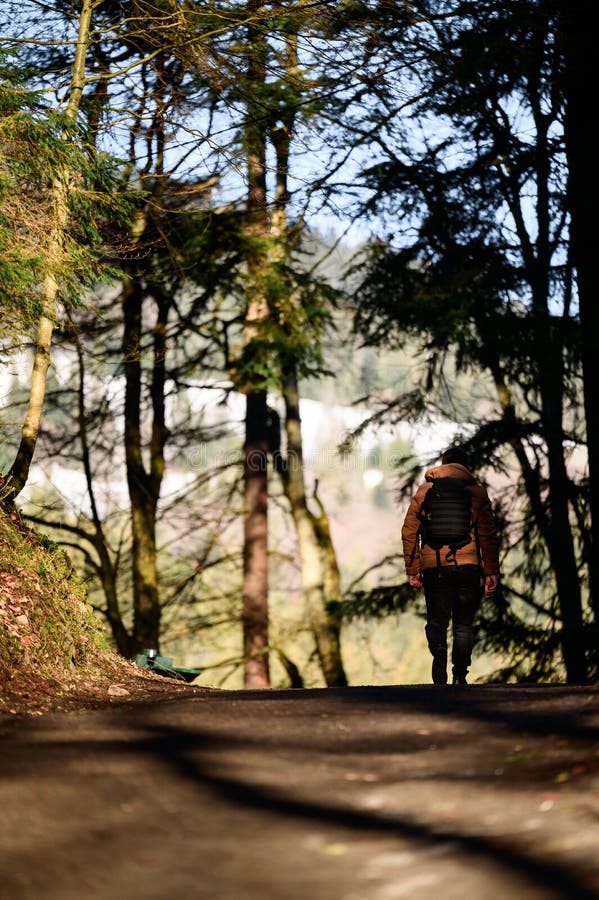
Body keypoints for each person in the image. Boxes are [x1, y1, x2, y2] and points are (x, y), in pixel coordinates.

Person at [401, 446, 500, 685]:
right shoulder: (476, 493)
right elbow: (487, 535)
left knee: (437, 620)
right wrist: (491, 571)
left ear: (443, 464)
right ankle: (459, 675)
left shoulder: (425, 491)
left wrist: (413, 569)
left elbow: (409, 532)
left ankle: (438, 661)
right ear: (466, 467)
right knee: (464, 624)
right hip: (467, 566)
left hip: (433, 566)